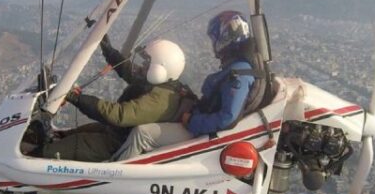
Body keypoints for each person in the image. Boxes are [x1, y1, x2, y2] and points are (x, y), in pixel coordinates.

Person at [114, 10, 261, 160]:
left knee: (142, 134)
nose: (213, 44)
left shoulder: (239, 74)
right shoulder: (238, 67)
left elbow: (227, 117)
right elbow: (217, 102)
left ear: (226, 37)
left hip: (200, 131)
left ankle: (112, 176)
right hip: (200, 122)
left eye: (215, 39)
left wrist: (192, 121)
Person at [39, 35, 195, 162]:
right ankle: (42, 141)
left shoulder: (162, 100)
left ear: (159, 69)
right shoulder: (158, 84)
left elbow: (118, 115)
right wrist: (107, 48)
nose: (142, 66)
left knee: (70, 145)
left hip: (117, 144)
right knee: (68, 134)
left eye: (147, 63)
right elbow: (126, 70)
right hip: (116, 132)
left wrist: (75, 97)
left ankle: (34, 153)